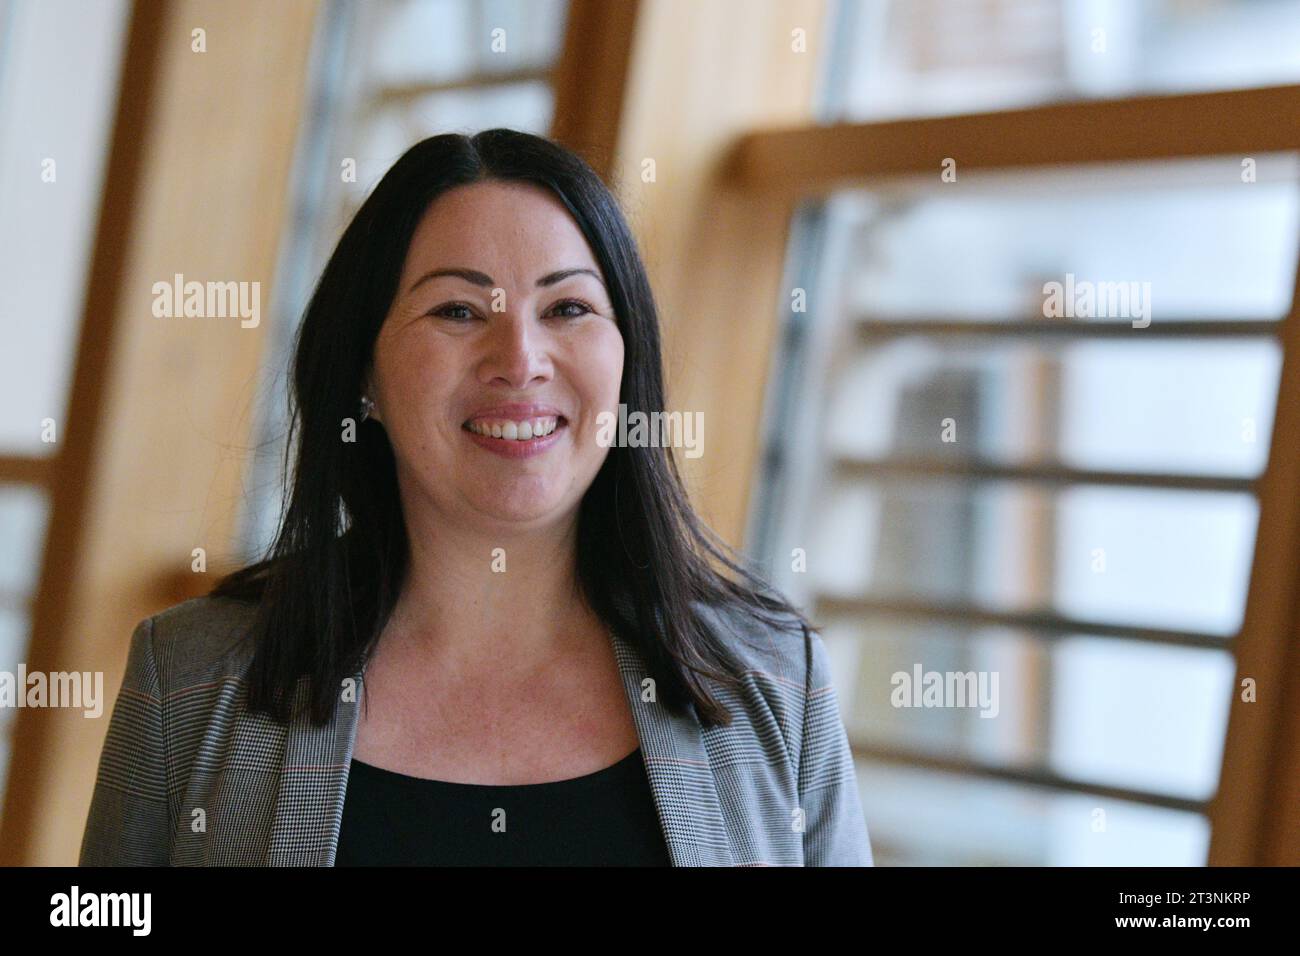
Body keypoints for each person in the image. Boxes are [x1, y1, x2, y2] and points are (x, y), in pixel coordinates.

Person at [78, 128, 873, 866]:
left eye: (567, 308)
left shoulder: (778, 682)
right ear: (364, 374)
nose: (520, 359)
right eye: (458, 310)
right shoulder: (187, 680)